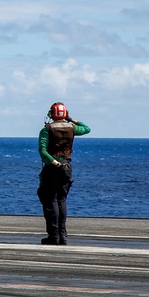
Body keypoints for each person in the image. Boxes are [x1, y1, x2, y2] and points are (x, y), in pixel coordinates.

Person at [37, 102, 91, 245]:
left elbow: (43, 151)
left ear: (52, 114)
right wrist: (70, 118)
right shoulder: (72, 127)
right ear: (64, 114)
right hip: (67, 166)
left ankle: (54, 236)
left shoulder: (47, 129)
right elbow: (87, 128)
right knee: (62, 199)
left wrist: (54, 163)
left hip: (53, 167)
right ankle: (62, 235)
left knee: (51, 200)